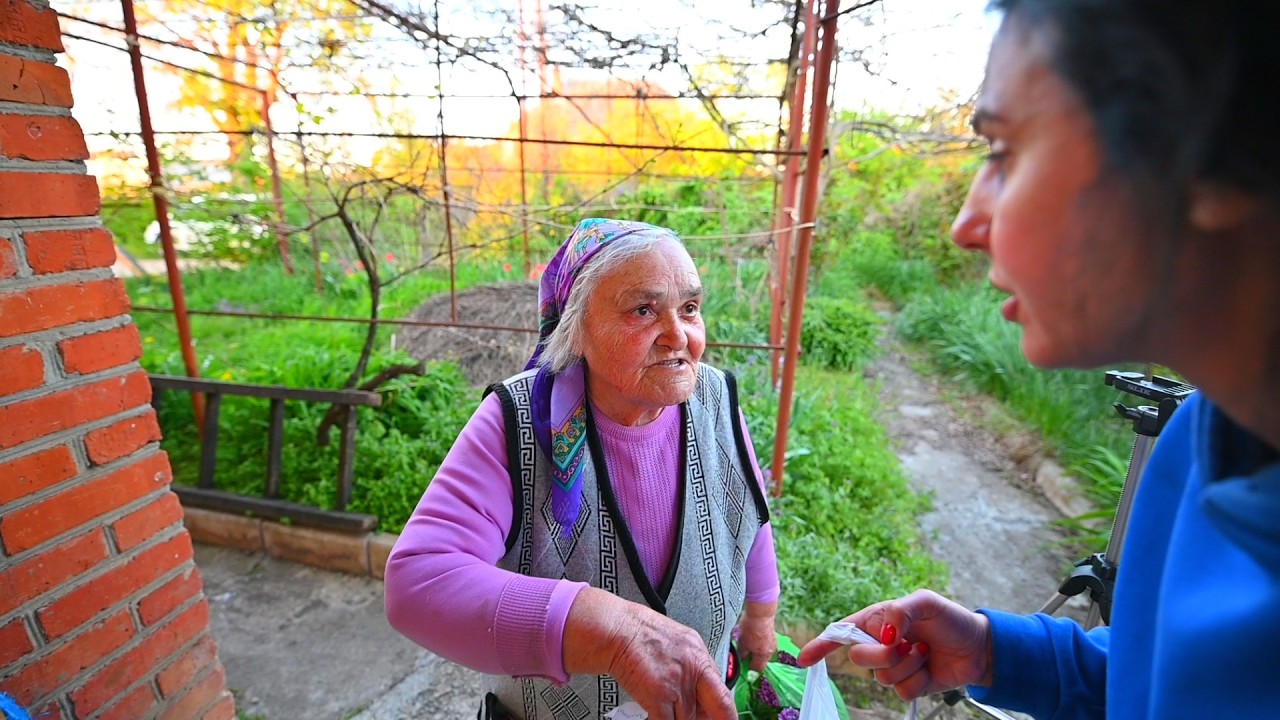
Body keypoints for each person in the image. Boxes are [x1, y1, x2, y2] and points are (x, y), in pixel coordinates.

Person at [798, 1, 1280, 718]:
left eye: (1002, 153)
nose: (966, 225)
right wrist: (997, 653)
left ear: (1208, 150)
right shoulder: (1200, 442)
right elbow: (1158, 681)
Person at [385, 218, 780, 720]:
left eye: (689, 308)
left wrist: (761, 614)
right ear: (577, 330)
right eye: (643, 310)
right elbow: (417, 584)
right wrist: (613, 635)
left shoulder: (716, 398)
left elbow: (745, 512)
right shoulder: (520, 422)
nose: (678, 336)